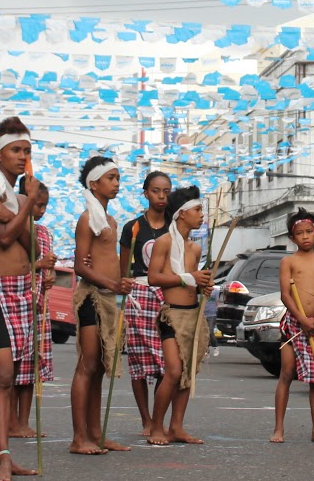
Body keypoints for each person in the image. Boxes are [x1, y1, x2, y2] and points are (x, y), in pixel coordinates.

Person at [0, 118, 55, 481]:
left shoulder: (17, 199)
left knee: (14, 376)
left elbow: (34, 247)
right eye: (16, 150)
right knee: (3, 378)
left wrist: (18, 210)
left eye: (27, 151)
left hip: (24, 291)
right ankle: (3, 456)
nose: (23, 157)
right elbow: (4, 240)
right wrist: (24, 208)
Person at [70, 155, 132, 456]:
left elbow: (108, 263)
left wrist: (123, 281)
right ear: (94, 184)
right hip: (92, 298)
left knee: (99, 369)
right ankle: (78, 437)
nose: (117, 183)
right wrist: (110, 284)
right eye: (111, 178)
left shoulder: (110, 221)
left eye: (118, 178)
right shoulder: (87, 219)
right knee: (87, 365)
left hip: (109, 299)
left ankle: (96, 433)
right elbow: (80, 266)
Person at [146, 185, 213, 446]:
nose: (202, 215)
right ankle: (156, 427)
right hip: (171, 315)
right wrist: (189, 278)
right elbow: (154, 278)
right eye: (198, 210)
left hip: (192, 314)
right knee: (173, 371)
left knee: (187, 372)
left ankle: (177, 427)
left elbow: (194, 284)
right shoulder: (164, 242)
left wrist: (203, 285)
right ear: (182, 214)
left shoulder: (194, 249)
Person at [273, 208, 314, 444]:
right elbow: (285, 294)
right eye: (300, 233)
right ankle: (279, 428)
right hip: (294, 324)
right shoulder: (288, 261)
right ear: (292, 238)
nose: (306, 237)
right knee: (286, 373)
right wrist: (302, 319)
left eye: (310, 231)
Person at [121, 171, 172, 433]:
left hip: (169, 297)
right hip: (140, 297)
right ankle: (146, 420)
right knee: (140, 362)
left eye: (166, 191)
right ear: (145, 193)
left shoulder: (174, 227)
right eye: (156, 190)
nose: (161, 196)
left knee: (167, 361)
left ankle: (159, 418)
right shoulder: (133, 227)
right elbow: (124, 269)